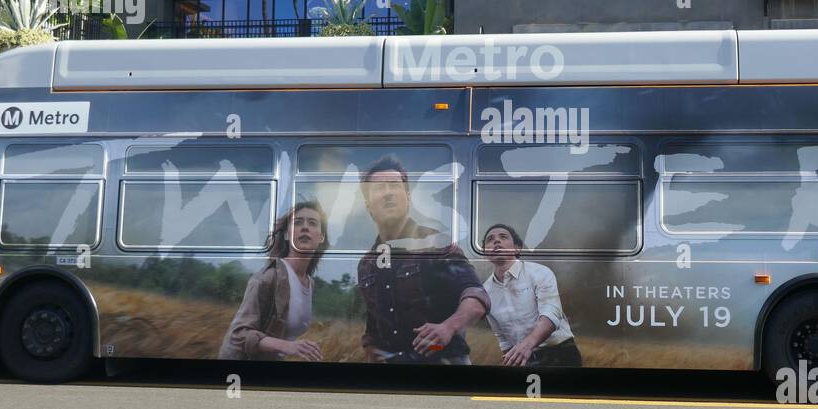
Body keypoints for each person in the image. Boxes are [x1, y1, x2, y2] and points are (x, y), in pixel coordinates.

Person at [356, 156, 489, 364]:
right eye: (379, 188)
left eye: (394, 185)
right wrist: (369, 346)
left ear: (408, 196)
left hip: (445, 364)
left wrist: (448, 327)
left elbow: (477, 297)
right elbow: (373, 324)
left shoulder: (437, 243)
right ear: (367, 205)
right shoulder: (366, 264)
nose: (388, 192)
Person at [219, 200, 329, 361]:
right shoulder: (269, 277)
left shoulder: (309, 283)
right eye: (298, 222)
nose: (305, 227)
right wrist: (288, 346)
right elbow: (238, 334)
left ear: (321, 237)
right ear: (286, 234)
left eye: (312, 223)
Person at [480, 223, 582, 367]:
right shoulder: (485, 291)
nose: (496, 241)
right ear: (485, 253)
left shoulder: (539, 272)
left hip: (560, 355)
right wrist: (511, 359)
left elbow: (551, 315)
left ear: (517, 248)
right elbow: (501, 336)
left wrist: (527, 345)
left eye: (503, 237)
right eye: (490, 239)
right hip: (524, 360)